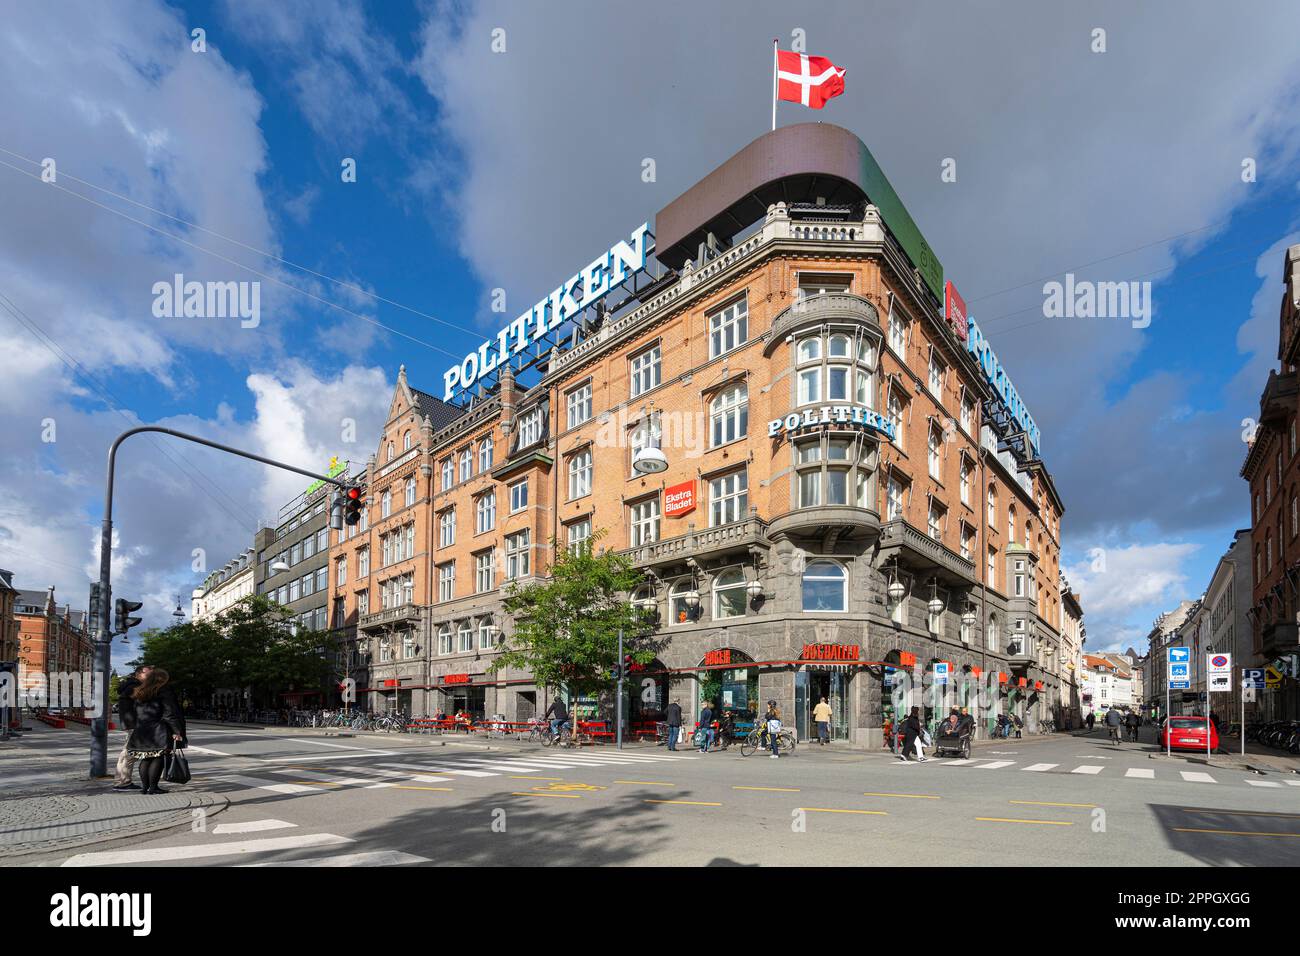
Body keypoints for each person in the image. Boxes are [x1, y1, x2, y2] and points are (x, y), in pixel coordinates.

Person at [126, 668, 186, 795]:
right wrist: (176, 731)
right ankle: (153, 787)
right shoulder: (163, 690)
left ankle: (144, 787)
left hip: (141, 730)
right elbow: (169, 713)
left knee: (145, 758)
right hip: (158, 730)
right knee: (158, 758)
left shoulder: (140, 691)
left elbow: (135, 712)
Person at [112, 665, 150, 792]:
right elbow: (143, 704)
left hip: (130, 723)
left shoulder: (130, 685)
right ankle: (122, 782)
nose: (150, 676)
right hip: (134, 724)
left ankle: (121, 781)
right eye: (148, 673)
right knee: (130, 754)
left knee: (127, 753)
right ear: (138, 674)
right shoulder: (134, 686)